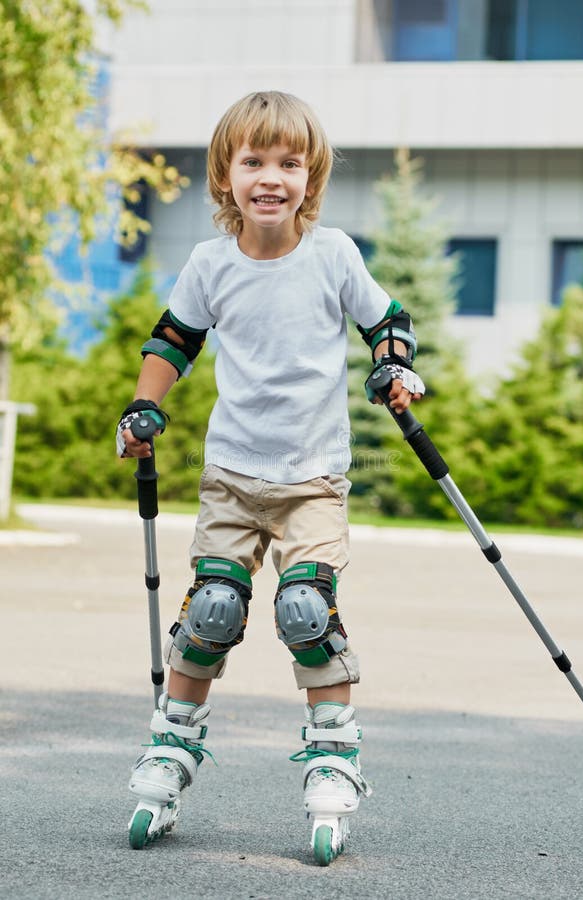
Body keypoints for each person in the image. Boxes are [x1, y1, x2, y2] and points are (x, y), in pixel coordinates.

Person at [116, 90, 424, 863]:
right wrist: (143, 409)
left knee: (305, 609)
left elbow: (388, 320)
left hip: (313, 478)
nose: (271, 177)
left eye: (290, 163)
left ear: (310, 178)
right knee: (211, 609)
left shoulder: (334, 254)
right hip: (232, 475)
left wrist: (394, 367)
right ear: (227, 174)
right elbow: (174, 340)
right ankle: (171, 747)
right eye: (254, 161)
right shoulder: (210, 261)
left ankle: (334, 762)